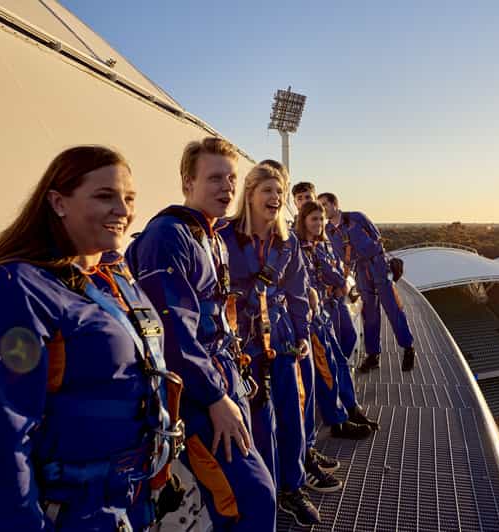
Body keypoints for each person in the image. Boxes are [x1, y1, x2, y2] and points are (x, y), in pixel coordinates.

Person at [0, 146, 184, 531]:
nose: (123, 211)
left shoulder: (113, 277)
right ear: (58, 202)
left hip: (130, 500)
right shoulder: (12, 291)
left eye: (129, 198)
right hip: (71, 512)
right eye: (104, 196)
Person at [125, 138, 276, 530]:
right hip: (197, 396)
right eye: (214, 178)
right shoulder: (169, 236)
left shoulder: (209, 236)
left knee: (250, 493)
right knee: (249, 499)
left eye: (230, 178)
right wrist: (213, 397)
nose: (226, 187)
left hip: (224, 379)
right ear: (187, 182)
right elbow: (170, 333)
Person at [220, 164, 326, 526]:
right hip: (244, 344)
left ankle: (293, 487)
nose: (276, 198)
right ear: (249, 193)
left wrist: (301, 335)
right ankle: (270, 491)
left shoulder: (287, 242)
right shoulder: (224, 237)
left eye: (279, 192)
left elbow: (297, 292)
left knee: (292, 414)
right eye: (268, 190)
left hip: (281, 337)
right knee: (260, 422)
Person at [295, 201, 380, 442]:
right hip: (312, 316)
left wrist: (335, 278)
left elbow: (338, 273)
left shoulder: (321, 245)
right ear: (303, 221)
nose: (319, 224)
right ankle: (337, 422)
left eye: (321, 219)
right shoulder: (301, 248)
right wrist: (333, 278)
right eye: (314, 219)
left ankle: (351, 409)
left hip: (324, 309)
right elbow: (327, 275)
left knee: (338, 362)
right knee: (326, 370)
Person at [318, 192, 416, 372]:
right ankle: (373, 356)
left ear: (335, 204)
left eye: (325, 204)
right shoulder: (329, 231)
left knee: (393, 307)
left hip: (378, 265)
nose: (323, 209)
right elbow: (341, 255)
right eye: (320, 205)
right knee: (369, 314)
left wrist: (377, 258)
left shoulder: (356, 217)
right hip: (361, 270)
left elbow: (375, 236)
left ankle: (408, 348)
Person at [291, 182, 358, 359]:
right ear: (295, 203)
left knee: (349, 337)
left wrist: (342, 282)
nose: (305, 201)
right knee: (327, 353)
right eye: (300, 198)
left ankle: (341, 372)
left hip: (334, 297)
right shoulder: (293, 238)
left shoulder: (325, 234)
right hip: (316, 303)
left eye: (308, 197)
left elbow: (335, 260)